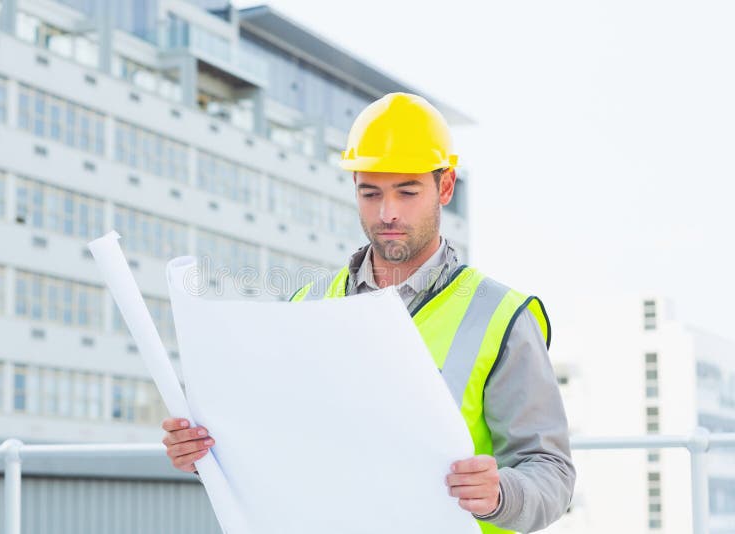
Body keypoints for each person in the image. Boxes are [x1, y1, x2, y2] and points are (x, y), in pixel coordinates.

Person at [162, 93, 575, 533]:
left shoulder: (502, 316)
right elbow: (273, 440)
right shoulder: (306, 306)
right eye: (370, 192)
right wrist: (204, 451)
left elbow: (551, 471)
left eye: (407, 191)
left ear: (446, 187)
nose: (387, 213)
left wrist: (500, 495)